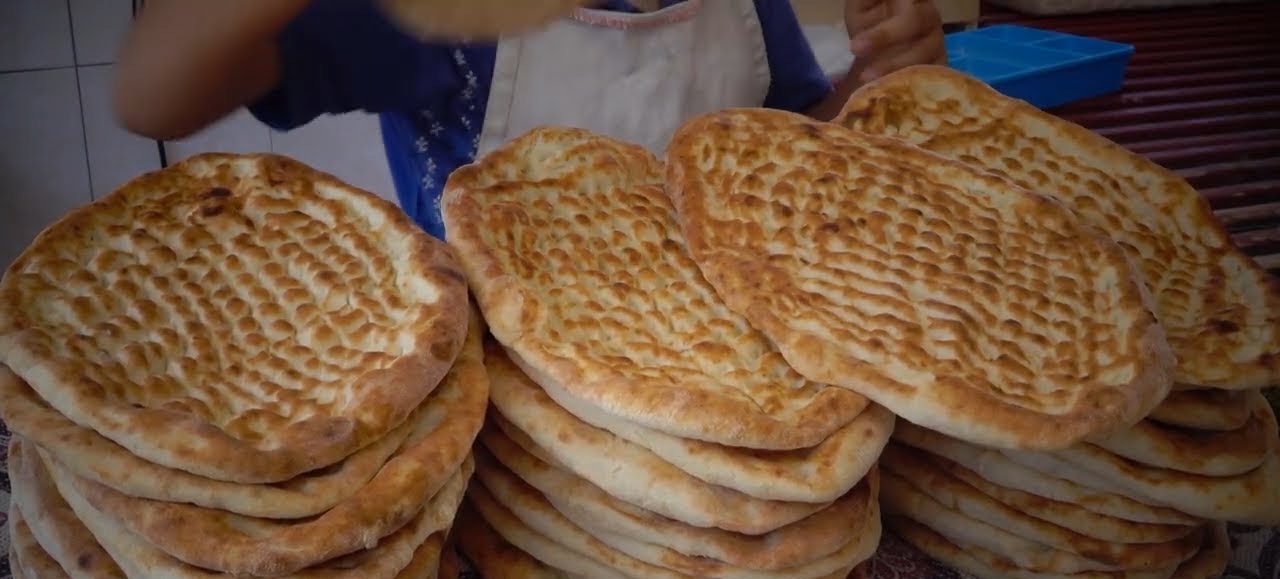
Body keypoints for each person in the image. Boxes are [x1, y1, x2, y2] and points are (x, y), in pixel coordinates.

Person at [114, 0, 945, 239]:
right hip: (502, 398)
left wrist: (877, 84)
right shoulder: (445, 18)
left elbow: (794, 148)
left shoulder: (743, 6)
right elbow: (156, 99)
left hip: (715, 359)